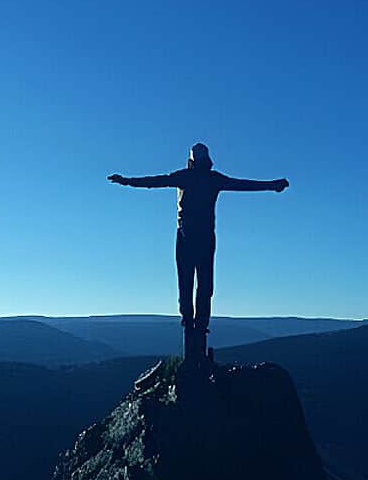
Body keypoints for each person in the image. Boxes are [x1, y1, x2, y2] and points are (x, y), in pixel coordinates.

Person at [109, 143, 289, 360]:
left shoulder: (187, 176)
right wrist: (272, 185)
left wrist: (126, 181)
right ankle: (197, 324)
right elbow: (243, 185)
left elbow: (154, 182)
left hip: (187, 236)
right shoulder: (212, 179)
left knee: (189, 281)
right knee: (202, 284)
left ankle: (191, 322)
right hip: (202, 237)